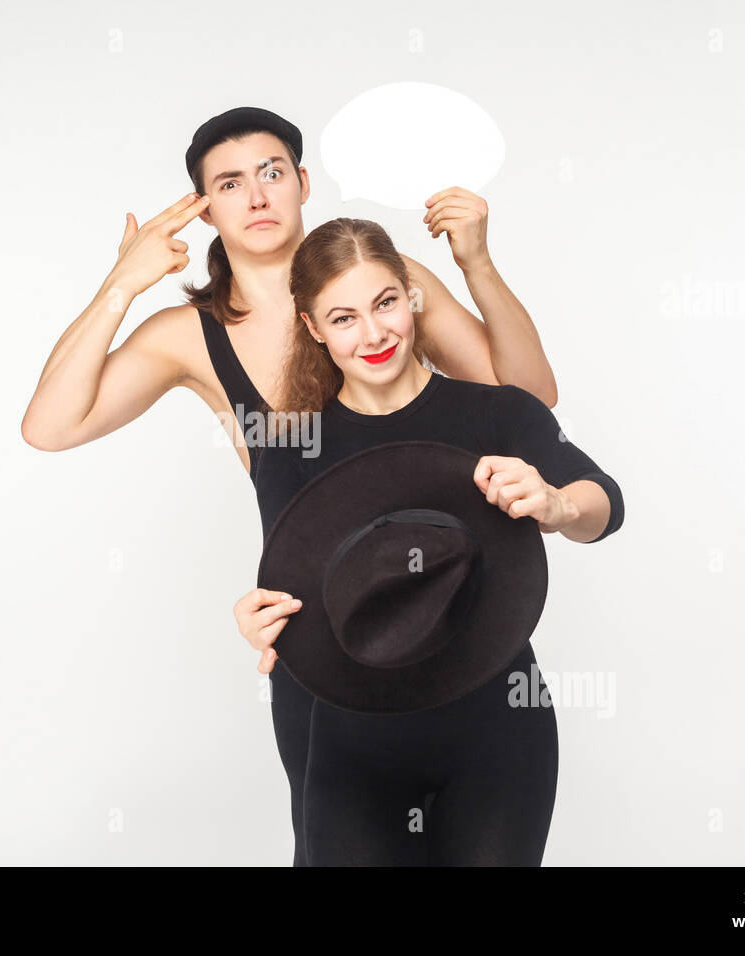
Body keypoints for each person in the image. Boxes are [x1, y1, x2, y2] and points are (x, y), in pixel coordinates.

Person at [21, 107, 561, 866]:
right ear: (205, 208)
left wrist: (476, 264)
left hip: (457, 629)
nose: (258, 195)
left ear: (304, 181)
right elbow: (49, 425)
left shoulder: (386, 286)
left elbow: (528, 402)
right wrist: (123, 283)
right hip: (326, 652)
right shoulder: (192, 337)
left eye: (273, 172)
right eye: (230, 183)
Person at [237, 218, 624, 865]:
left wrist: (556, 503)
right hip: (353, 749)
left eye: (386, 303)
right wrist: (260, 620)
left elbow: (605, 502)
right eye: (344, 318)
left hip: (496, 738)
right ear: (311, 327)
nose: (374, 333)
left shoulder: (496, 413)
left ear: (410, 299)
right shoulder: (292, 446)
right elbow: (292, 583)